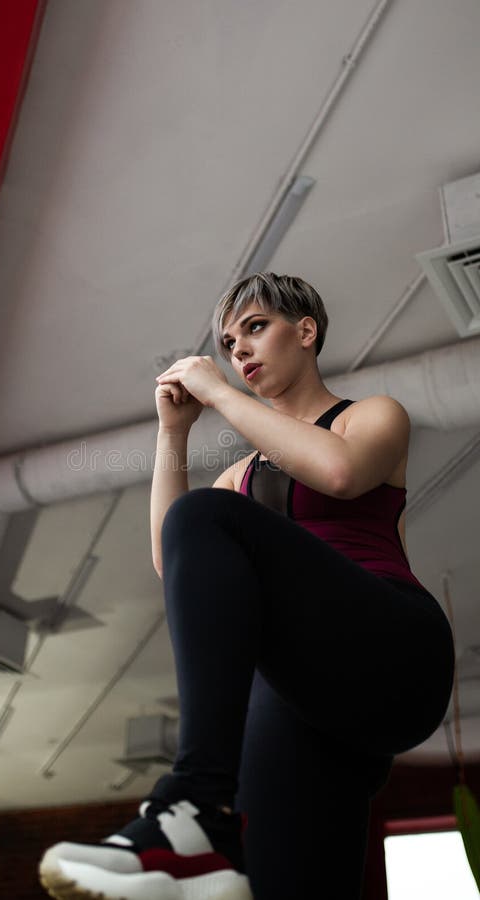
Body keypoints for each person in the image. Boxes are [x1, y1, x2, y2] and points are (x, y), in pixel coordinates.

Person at [38, 273, 455, 900]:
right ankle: (210, 846)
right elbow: (171, 557)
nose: (240, 353)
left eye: (255, 329)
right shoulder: (236, 476)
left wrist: (217, 391)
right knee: (284, 882)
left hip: (393, 650)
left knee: (205, 516)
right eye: (230, 345)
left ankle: (199, 804)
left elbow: (339, 474)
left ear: (306, 331)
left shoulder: (371, 416)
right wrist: (172, 432)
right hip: (309, 692)